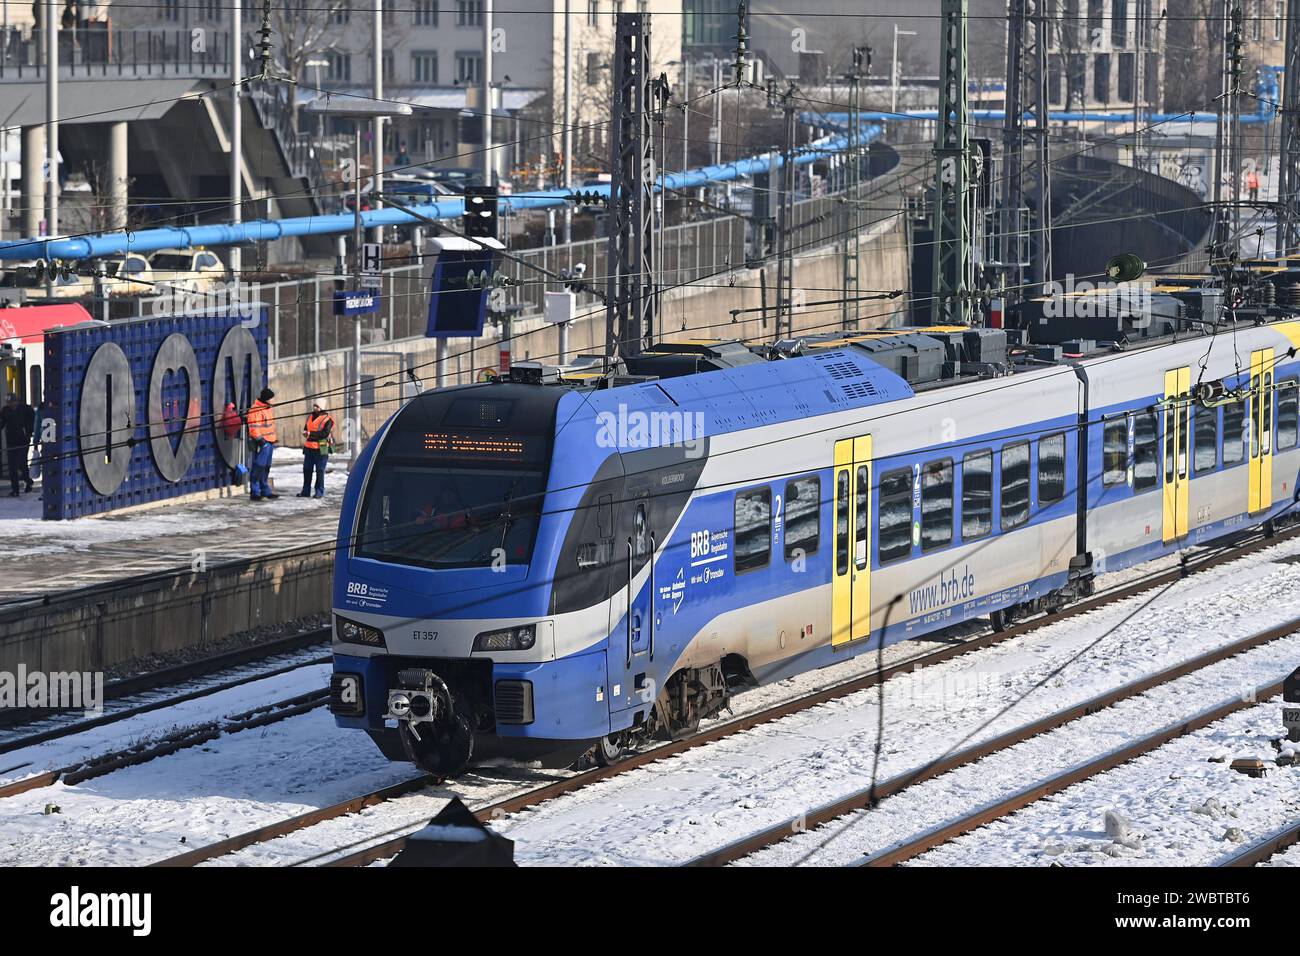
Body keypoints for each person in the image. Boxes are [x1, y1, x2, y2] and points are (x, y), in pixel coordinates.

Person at [245, 387, 279, 501]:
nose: (273, 400)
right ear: (267, 399)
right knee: (258, 466)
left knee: (266, 467)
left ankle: (265, 490)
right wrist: (261, 441)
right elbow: (253, 428)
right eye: (272, 398)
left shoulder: (268, 408)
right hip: (262, 442)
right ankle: (255, 491)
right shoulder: (256, 410)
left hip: (270, 441)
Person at [0, 393, 35, 497]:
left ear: (17, 401)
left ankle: (28, 481)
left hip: (23, 441)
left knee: (21, 463)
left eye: (12, 402)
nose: (10, 404)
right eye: (8, 402)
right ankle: (15, 490)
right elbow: (2, 423)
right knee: (12, 467)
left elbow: (32, 421)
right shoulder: (5, 410)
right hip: (11, 442)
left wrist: (28, 432)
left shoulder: (26, 409)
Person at [298, 402, 335, 499]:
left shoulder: (328, 420)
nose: (314, 407)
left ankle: (319, 491)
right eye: (314, 405)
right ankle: (306, 491)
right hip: (309, 448)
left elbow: (324, 434)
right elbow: (306, 428)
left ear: (322, 407)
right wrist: (306, 433)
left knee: (320, 471)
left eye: (317, 406)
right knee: (307, 470)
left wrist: (310, 433)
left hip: (321, 448)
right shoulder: (310, 417)